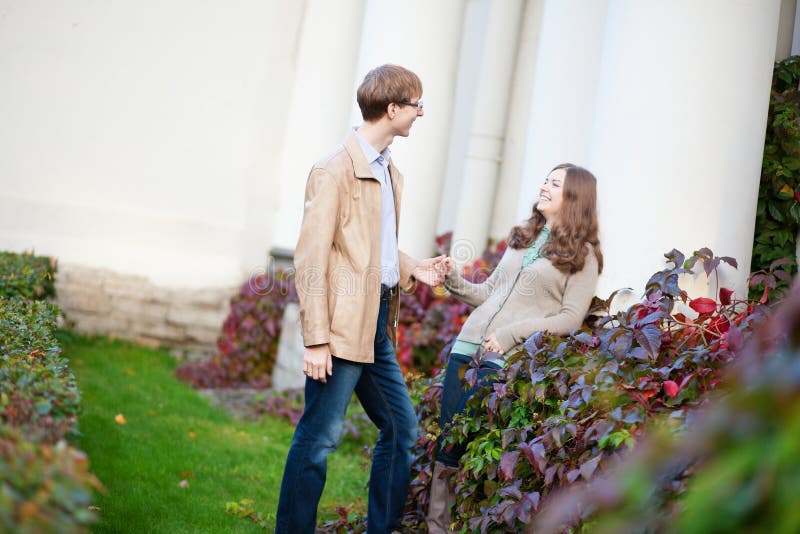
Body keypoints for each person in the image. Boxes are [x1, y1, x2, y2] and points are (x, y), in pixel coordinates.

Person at [276, 64, 447, 534]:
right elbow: (310, 260)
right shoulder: (334, 170)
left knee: (401, 430)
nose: (420, 112)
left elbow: (374, 243)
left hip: (375, 327)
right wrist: (315, 340)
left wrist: (414, 268)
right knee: (319, 440)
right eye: (415, 104)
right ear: (392, 109)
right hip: (337, 330)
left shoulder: (390, 170)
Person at [426, 163, 604, 532]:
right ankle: (436, 527)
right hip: (466, 349)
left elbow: (571, 319)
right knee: (448, 446)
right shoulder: (523, 238)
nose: (544, 187)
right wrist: (452, 279)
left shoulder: (582, 256)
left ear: (574, 197)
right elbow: (489, 293)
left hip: (502, 361)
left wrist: (511, 335)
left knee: (478, 448)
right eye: (545, 180)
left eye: (555, 184)